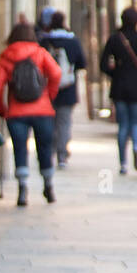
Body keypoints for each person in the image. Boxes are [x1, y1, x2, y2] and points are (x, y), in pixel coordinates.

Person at [0, 21, 60, 206]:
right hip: (43, 109)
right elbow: (56, 73)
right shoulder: (40, 53)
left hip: (16, 111)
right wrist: (49, 95)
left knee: (20, 149)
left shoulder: (6, 57)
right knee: (44, 148)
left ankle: (22, 189)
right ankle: (48, 185)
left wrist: (1, 108)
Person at [101, 6, 137, 175]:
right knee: (136, 122)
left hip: (119, 86)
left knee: (123, 125)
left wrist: (115, 72)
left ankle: (123, 163)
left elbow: (103, 64)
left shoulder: (114, 39)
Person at [39, 10, 87, 168]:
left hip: (47, 88)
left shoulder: (45, 41)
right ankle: (62, 155)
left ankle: (49, 151)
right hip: (67, 88)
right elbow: (82, 63)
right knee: (64, 123)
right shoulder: (73, 41)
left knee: (49, 122)